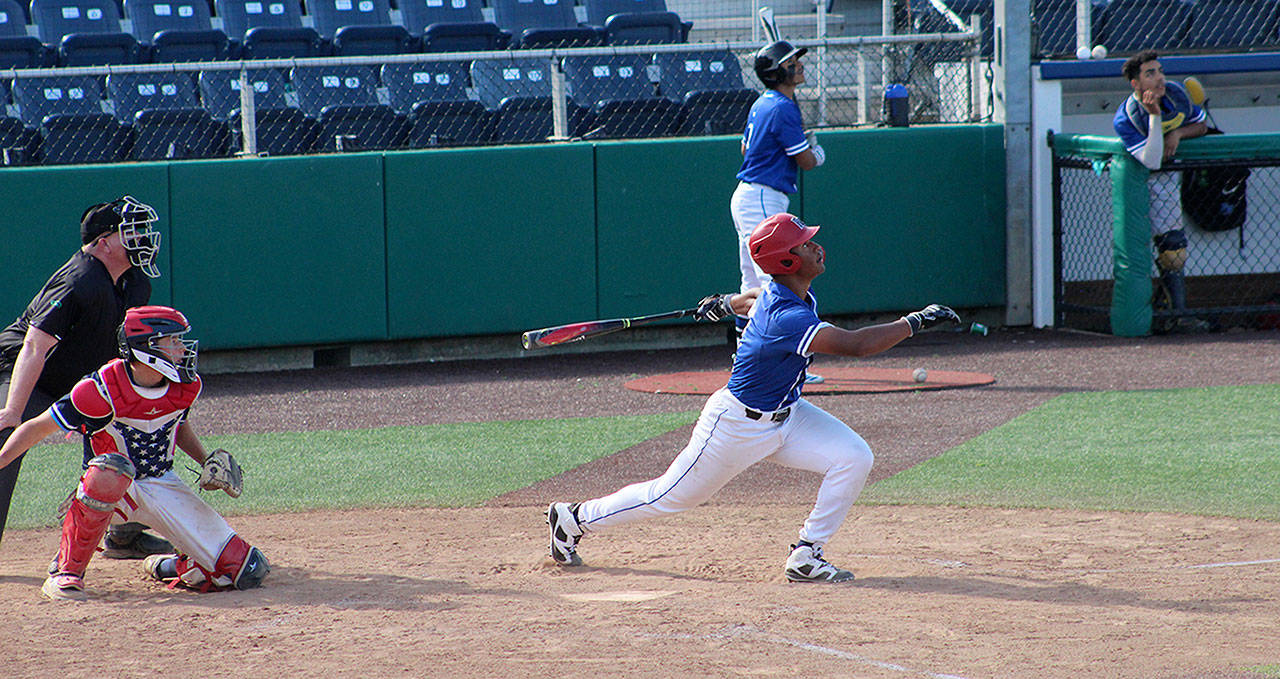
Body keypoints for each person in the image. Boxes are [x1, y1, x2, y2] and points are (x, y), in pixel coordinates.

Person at [547, 213, 960, 583]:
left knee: (854, 456)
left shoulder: (784, 293)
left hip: (789, 416)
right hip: (736, 426)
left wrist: (724, 303)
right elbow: (854, 346)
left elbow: (751, 299)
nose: (817, 246)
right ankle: (574, 518)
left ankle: (807, 553)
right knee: (670, 497)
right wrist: (915, 321)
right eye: (805, 243)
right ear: (787, 262)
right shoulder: (787, 316)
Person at [0, 305, 269, 601]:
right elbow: (36, 428)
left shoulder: (185, 386)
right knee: (110, 470)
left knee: (246, 570)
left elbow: (177, 426)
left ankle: (172, 566)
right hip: (111, 490)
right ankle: (66, 570)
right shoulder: (98, 389)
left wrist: (205, 460)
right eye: (174, 341)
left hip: (162, 481)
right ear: (147, 348)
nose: (182, 348)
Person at [0, 196, 175, 558]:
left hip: (78, 378)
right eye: (131, 231)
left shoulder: (135, 284)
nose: (141, 238)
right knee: (6, 436)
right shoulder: (79, 279)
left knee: (136, 423)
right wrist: (13, 412)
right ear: (103, 242)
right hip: (24, 370)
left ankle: (125, 533)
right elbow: (34, 346)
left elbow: (126, 353)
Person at [731, 39, 827, 383]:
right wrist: (816, 153)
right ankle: (787, 361)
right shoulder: (783, 107)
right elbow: (805, 162)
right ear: (776, 70)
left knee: (752, 281)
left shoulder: (764, 102)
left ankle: (747, 356)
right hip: (762, 197)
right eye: (791, 61)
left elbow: (745, 148)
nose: (799, 65)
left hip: (751, 194)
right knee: (778, 282)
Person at [1113, 50, 1209, 331]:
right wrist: (1155, 117)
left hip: (1169, 180)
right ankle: (1152, 317)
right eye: (1150, 74)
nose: (1159, 78)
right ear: (1135, 83)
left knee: (1173, 252)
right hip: (1138, 185)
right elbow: (1152, 161)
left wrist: (1178, 133)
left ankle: (1175, 314)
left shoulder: (1176, 94)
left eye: (1160, 71)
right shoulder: (1127, 117)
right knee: (1141, 253)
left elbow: (1201, 125)